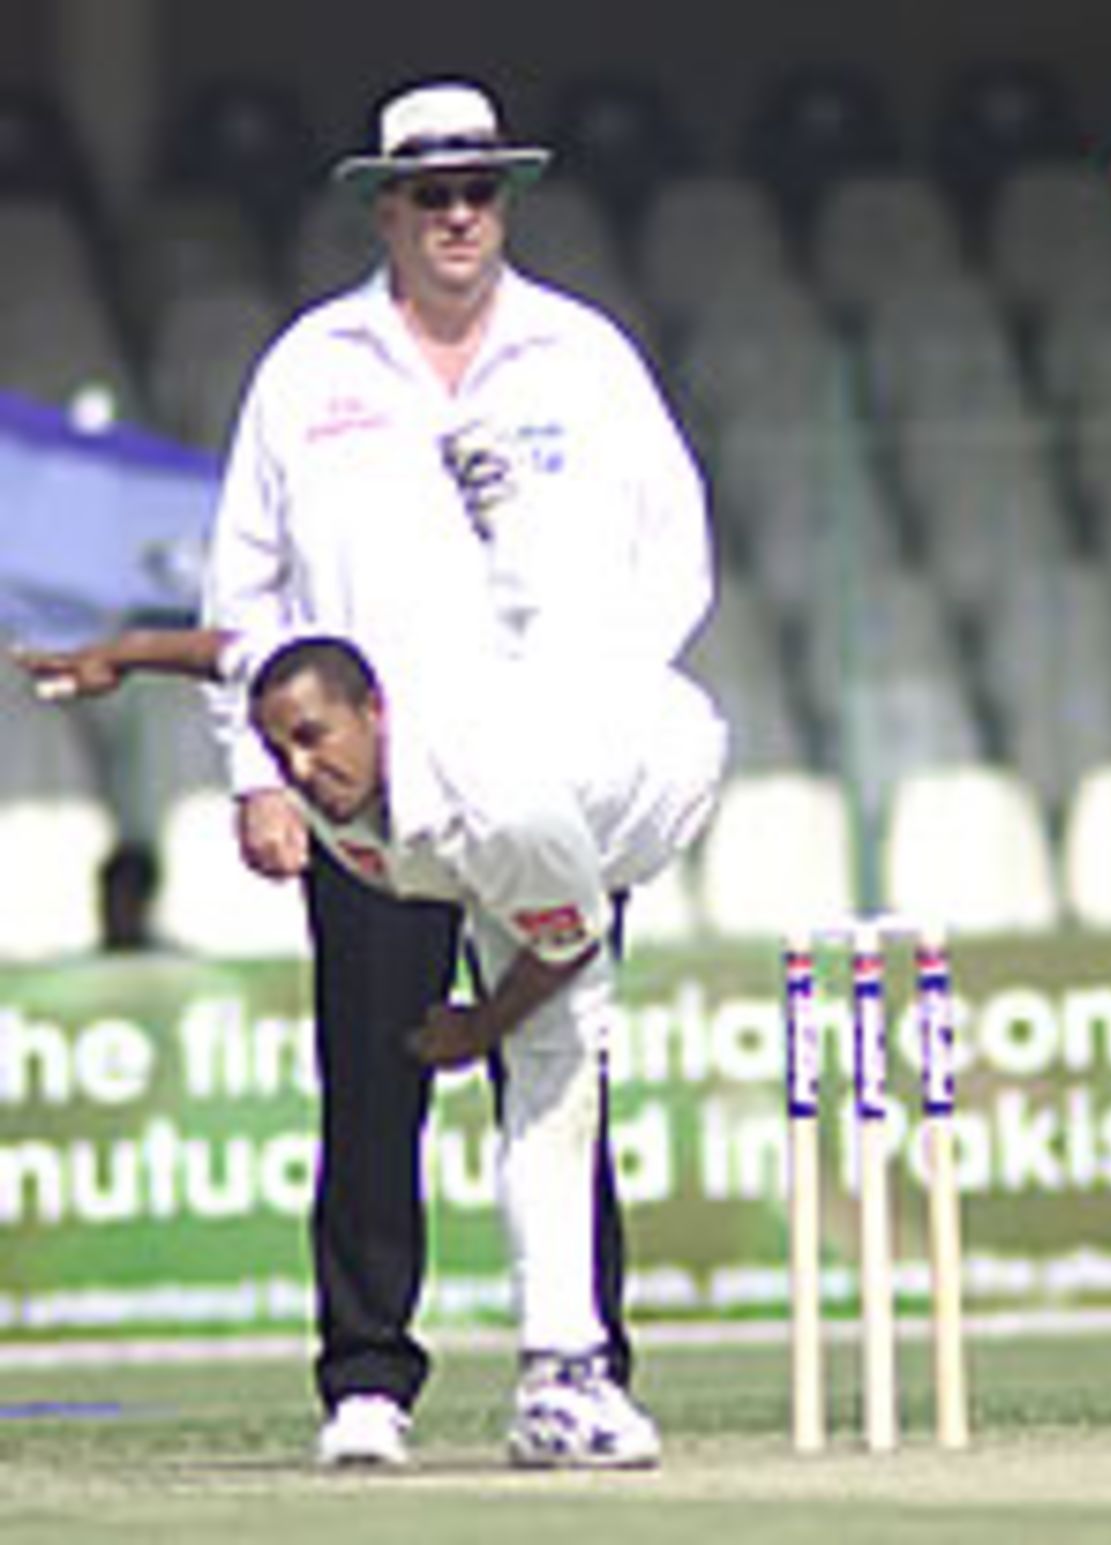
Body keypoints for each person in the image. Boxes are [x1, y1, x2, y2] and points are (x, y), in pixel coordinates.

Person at [197, 77, 714, 1466]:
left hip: (541, 787)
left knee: (560, 1064)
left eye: (480, 189)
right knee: (373, 1083)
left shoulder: (584, 358)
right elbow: (244, 587)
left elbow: (677, 553)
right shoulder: (312, 369)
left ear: (507, 201)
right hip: (373, 797)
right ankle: (368, 1380)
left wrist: (601, 723)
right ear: (386, 206)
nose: (460, 215)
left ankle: (579, 1367)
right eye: (432, 193)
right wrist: (257, 768)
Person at [15, 626, 728, 1468]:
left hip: (650, 781)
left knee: (551, 1070)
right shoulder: (313, 712)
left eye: (315, 739)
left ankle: (567, 1378)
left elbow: (571, 938)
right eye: (281, 752)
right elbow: (237, 653)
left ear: (375, 711)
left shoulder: (501, 805)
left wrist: (478, 1025)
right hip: (528, 782)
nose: (303, 769)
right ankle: (546, 1379)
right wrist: (126, 655)